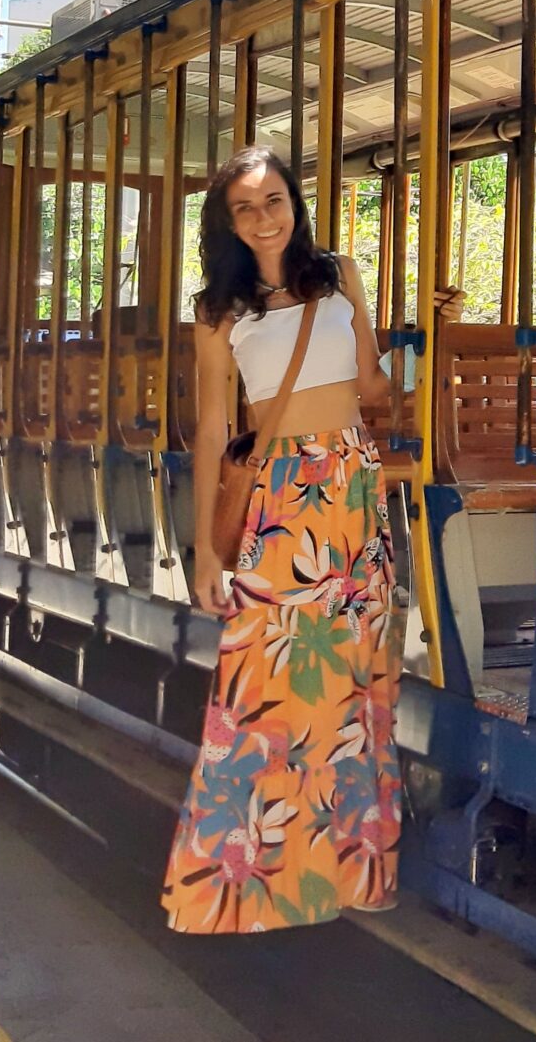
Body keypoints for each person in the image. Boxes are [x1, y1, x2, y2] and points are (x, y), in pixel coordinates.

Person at [163, 146, 404, 933]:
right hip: (278, 500)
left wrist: (412, 335)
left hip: (352, 491)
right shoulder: (218, 311)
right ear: (228, 223)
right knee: (259, 693)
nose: (266, 217)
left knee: (353, 693)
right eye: (247, 207)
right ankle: (249, 881)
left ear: (294, 204)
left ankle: (343, 875)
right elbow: (207, 427)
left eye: (275, 199)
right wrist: (205, 546)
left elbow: (371, 389)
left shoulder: (341, 276)